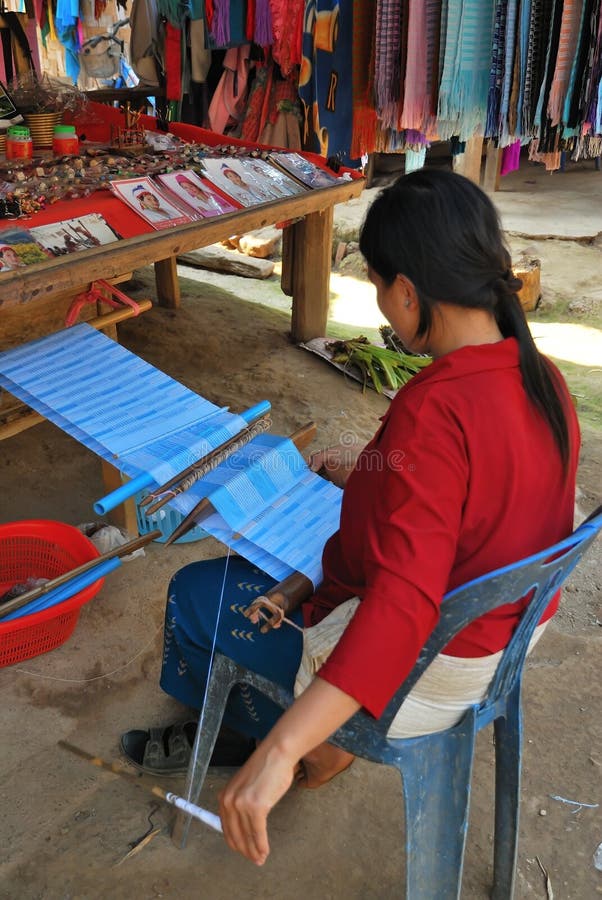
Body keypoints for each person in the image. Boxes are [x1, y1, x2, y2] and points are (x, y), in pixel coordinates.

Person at [121, 169, 579, 867]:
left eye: (377, 289)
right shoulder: (543, 377)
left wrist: (280, 753)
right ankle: (320, 735)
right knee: (273, 582)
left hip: (432, 667)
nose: (385, 311)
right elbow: (468, 500)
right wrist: (352, 497)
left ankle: (282, 739)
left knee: (195, 595)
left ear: (405, 288)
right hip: (506, 639)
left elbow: (402, 606)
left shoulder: (434, 409)